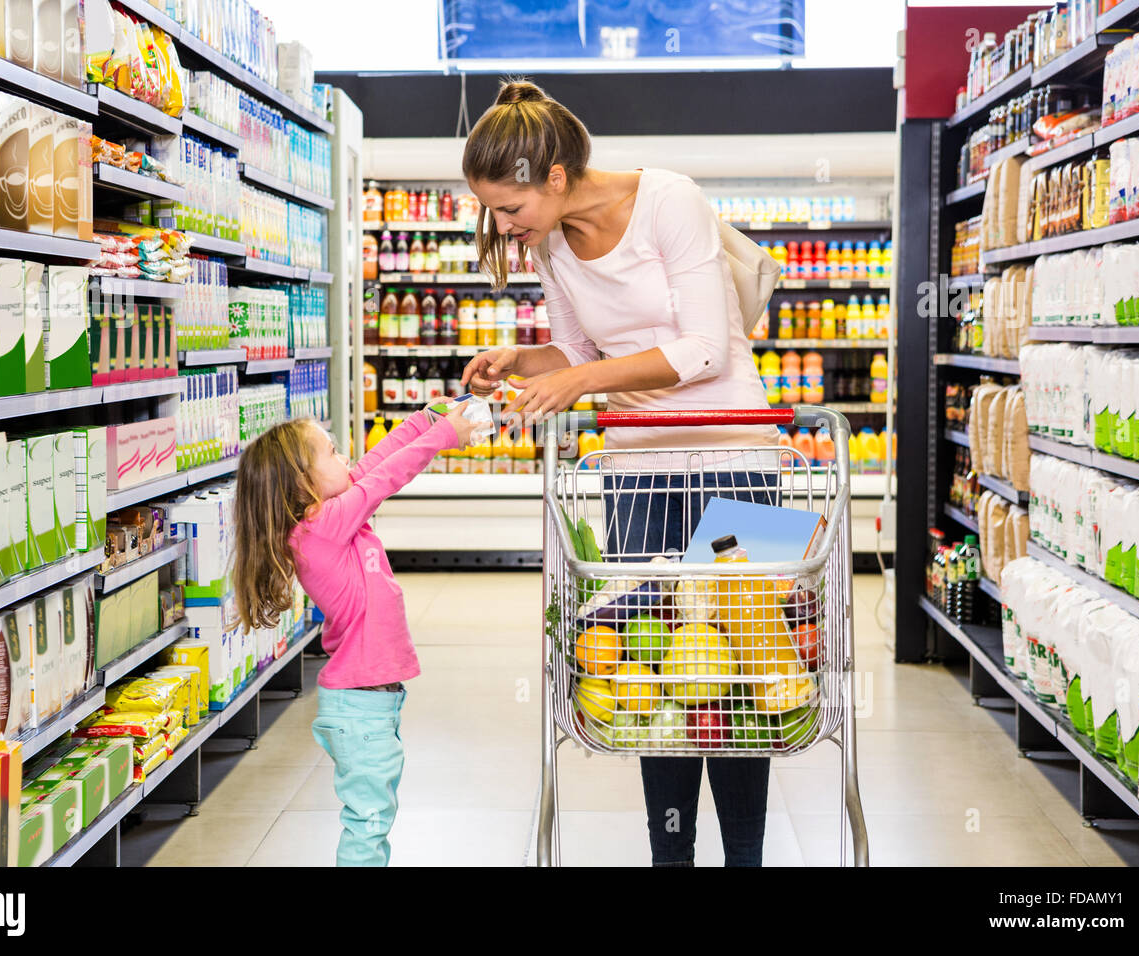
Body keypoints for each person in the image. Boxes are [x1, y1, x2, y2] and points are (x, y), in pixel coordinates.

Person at [460, 79, 780, 867]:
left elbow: (706, 347)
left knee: (740, 671)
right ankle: (669, 856)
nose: (502, 227)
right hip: (637, 464)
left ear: (556, 178)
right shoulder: (552, 243)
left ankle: (746, 858)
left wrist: (575, 383)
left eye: (508, 207)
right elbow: (578, 352)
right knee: (650, 667)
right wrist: (523, 359)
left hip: (734, 453)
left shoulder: (671, 201)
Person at [232, 406, 478, 865]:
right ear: (304, 482)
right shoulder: (322, 528)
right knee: (369, 822)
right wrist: (442, 436)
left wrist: (425, 419)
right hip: (361, 706)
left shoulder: (325, 516)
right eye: (331, 451)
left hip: (369, 701)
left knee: (373, 815)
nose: (344, 456)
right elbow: (383, 480)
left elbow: (372, 467)